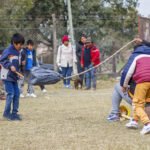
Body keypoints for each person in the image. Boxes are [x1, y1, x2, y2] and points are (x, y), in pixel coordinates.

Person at [120, 43, 150, 134]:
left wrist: (124, 85)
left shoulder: (136, 56)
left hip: (142, 81)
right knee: (145, 101)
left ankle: (147, 124)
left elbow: (127, 72)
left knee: (137, 104)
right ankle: (134, 121)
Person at [0, 33, 25, 121]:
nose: (21, 46)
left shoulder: (19, 52)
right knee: (10, 94)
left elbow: (17, 63)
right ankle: (6, 114)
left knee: (17, 94)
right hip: (7, 76)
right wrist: (10, 66)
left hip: (14, 77)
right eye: (20, 44)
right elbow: (2, 60)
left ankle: (14, 113)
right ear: (14, 42)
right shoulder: (8, 50)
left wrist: (21, 64)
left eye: (22, 44)